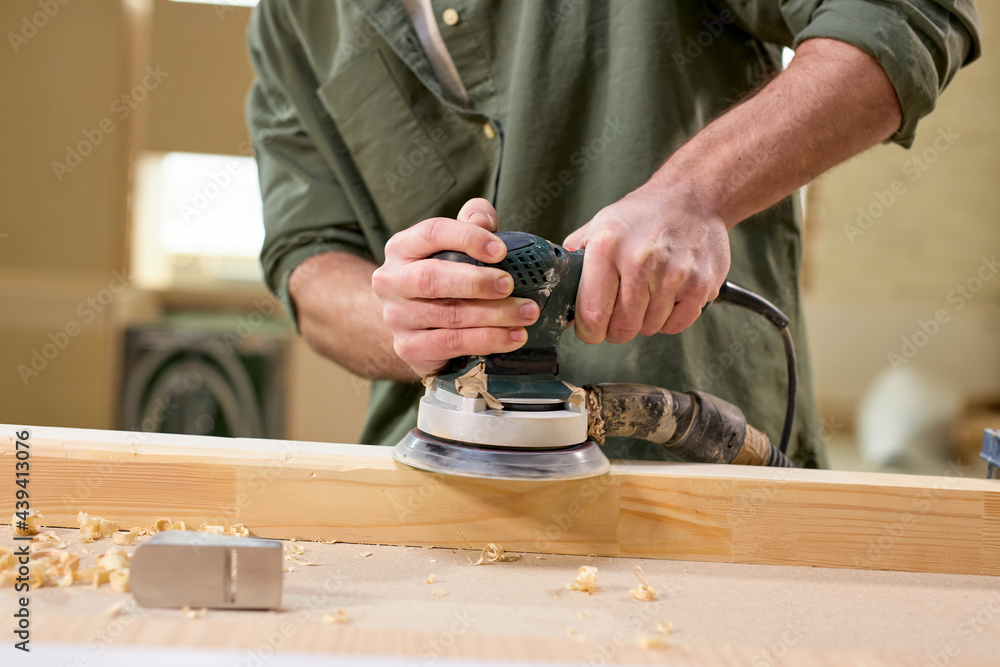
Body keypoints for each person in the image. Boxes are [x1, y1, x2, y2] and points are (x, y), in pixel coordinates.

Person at [246, 0, 980, 467]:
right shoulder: (289, 20)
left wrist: (694, 193)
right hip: (442, 485)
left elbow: (902, 13)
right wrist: (411, 312)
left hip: (712, 470)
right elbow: (305, 255)